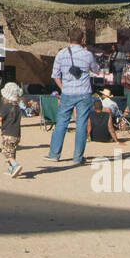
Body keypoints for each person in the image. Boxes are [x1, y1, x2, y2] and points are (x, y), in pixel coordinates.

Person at [48, 28, 96, 164]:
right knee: (81, 123)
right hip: (84, 93)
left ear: (69, 39)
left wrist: (63, 88)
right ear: (83, 40)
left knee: (62, 122)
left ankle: (54, 154)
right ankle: (77, 157)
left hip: (67, 93)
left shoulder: (61, 54)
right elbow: (96, 69)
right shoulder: (87, 55)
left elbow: (55, 75)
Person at [0, 81, 24, 178]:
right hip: (17, 134)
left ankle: (15, 165)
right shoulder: (17, 108)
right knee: (12, 151)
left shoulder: (6, 107)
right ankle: (12, 168)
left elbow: (0, 118)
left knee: (6, 151)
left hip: (8, 134)